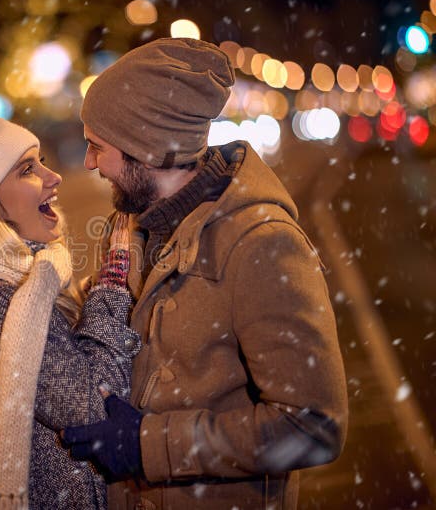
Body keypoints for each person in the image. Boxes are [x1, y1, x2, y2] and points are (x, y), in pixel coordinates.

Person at [60, 38, 349, 509]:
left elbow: (314, 426)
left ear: (146, 147)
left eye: (98, 147)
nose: (90, 163)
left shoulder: (261, 244)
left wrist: (149, 445)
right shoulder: (127, 227)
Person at [0, 114, 141, 509]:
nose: (54, 178)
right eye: (27, 170)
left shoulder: (27, 279)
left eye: (41, 161)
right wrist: (112, 284)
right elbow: (96, 403)